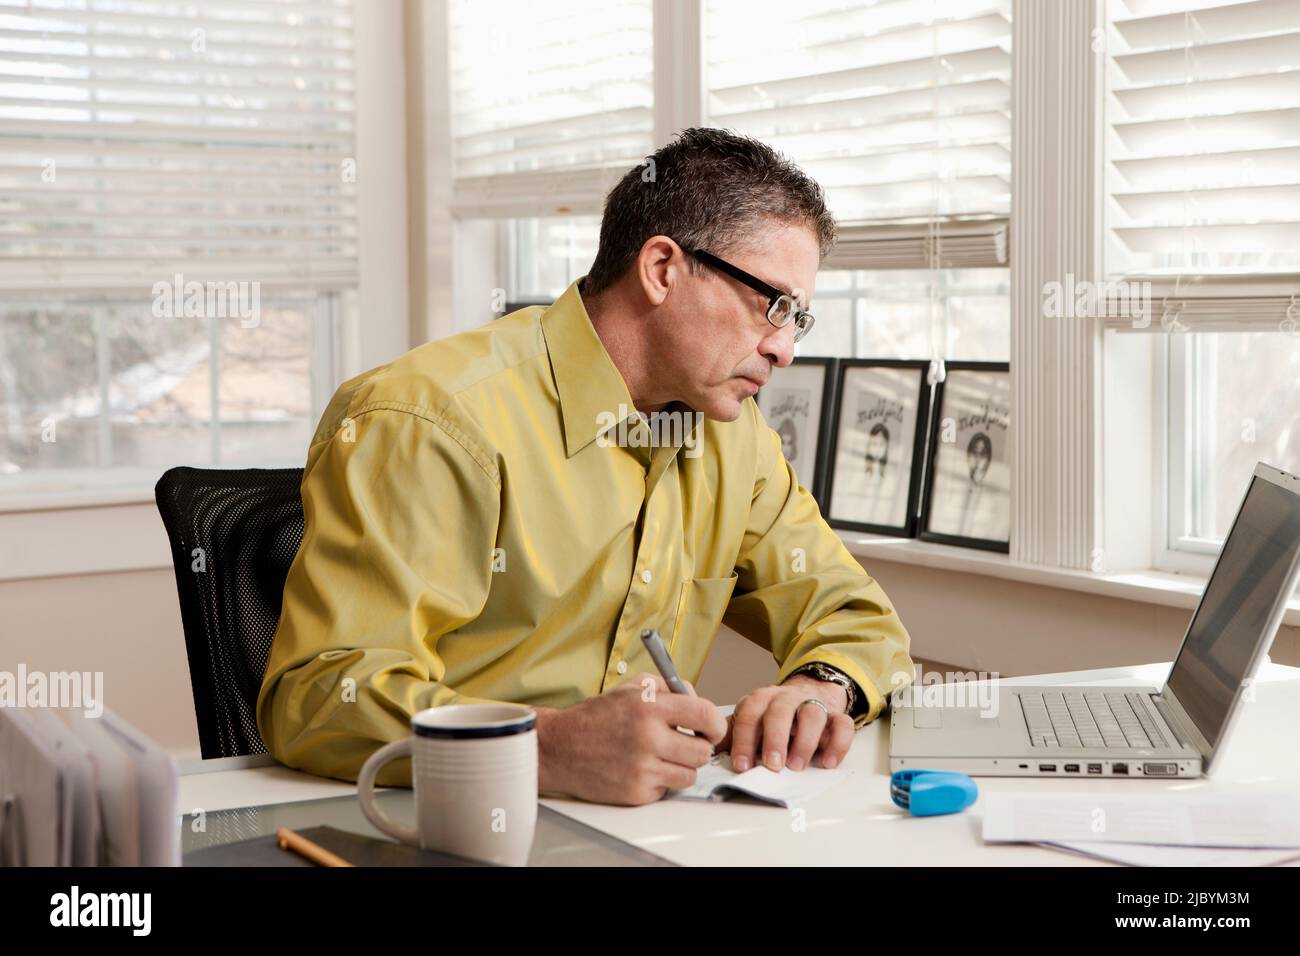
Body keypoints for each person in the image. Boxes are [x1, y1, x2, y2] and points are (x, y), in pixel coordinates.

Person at [256, 128, 914, 807]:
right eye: (773, 305)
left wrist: (821, 686)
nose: (784, 349)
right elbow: (319, 693)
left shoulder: (731, 437)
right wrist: (545, 747)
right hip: (439, 821)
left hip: (647, 827)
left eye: (798, 319)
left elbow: (856, 616)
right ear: (662, 269)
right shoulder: (429, 418)